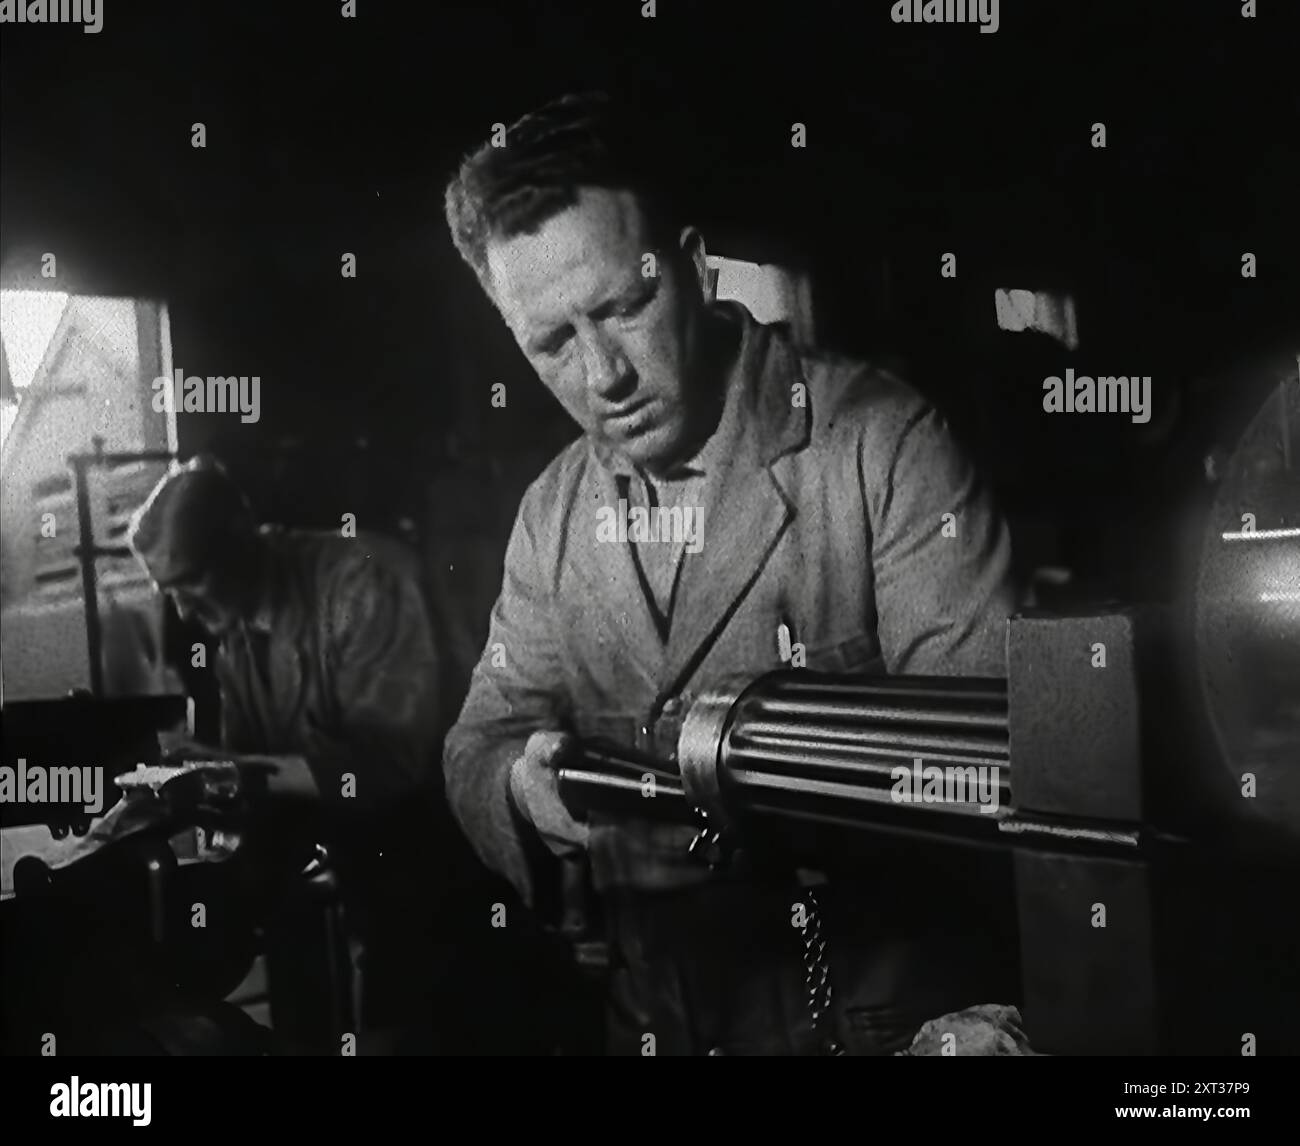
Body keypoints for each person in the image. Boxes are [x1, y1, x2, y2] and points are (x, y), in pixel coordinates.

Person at [442, 91, 1027, 1056]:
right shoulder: (550, 516)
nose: (603, 376)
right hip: (657, 1026)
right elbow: (480, 738)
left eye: (626, 308)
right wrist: (519, 788)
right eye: (551, 342)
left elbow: (992, 768)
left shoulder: (879, 446)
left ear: (694, 265)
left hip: (870, 1024)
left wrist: (751, 815)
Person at [126, 456, 556, 1054]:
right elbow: (268, 795)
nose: (182, 613)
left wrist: (237, 774)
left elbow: (395, 764)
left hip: (454, 875)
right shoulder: (238, 636)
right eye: (167, 593)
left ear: (239, 544)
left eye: (190, 584)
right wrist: (199, 796)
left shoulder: (366, 580)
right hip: (372, 887)